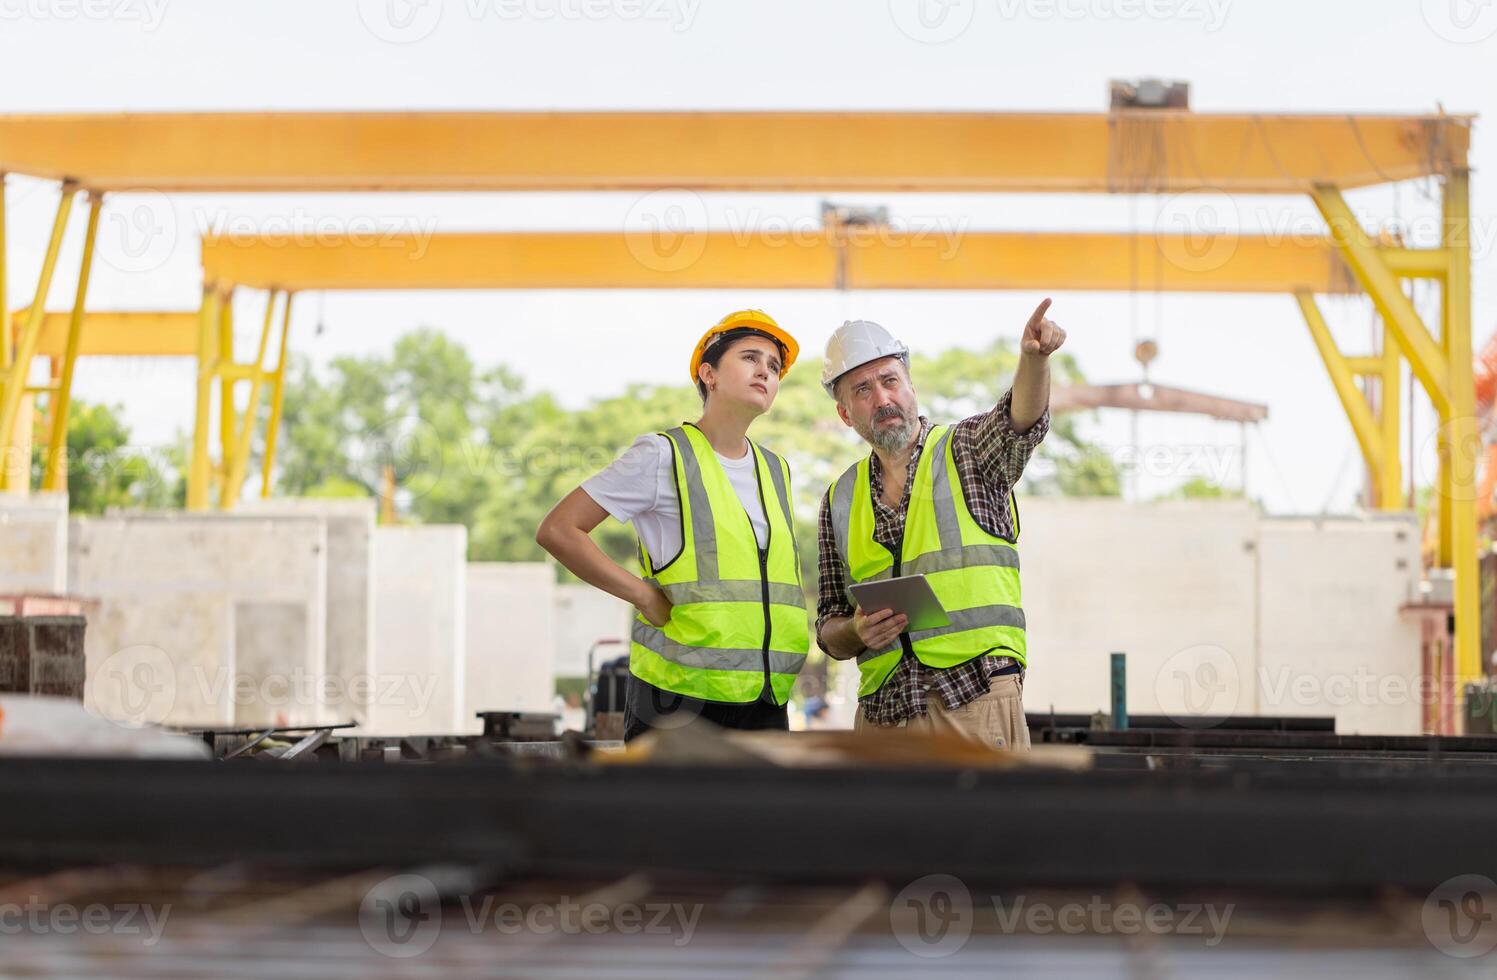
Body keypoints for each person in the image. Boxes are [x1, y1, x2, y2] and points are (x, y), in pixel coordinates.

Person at [536, 310, 809, 742]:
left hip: (766, 697)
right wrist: (642, 594)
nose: (765, 371)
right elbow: (559, 529)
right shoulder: (662, 455)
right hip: (679, 699)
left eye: (774, 367)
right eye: (750, 357)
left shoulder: (776, 470)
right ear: (709, 374)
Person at [815, 300, 1066, 750]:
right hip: (883, 716)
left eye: (890, 381)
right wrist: (854, 631)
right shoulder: (839, 498)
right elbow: (829, 627)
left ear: (911, 385)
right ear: (845, 414)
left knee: (987, 824)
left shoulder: (967, 451)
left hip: (975, 702)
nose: (883, 399)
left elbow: (1019, 423)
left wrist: (1034, 359)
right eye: (863, 390)